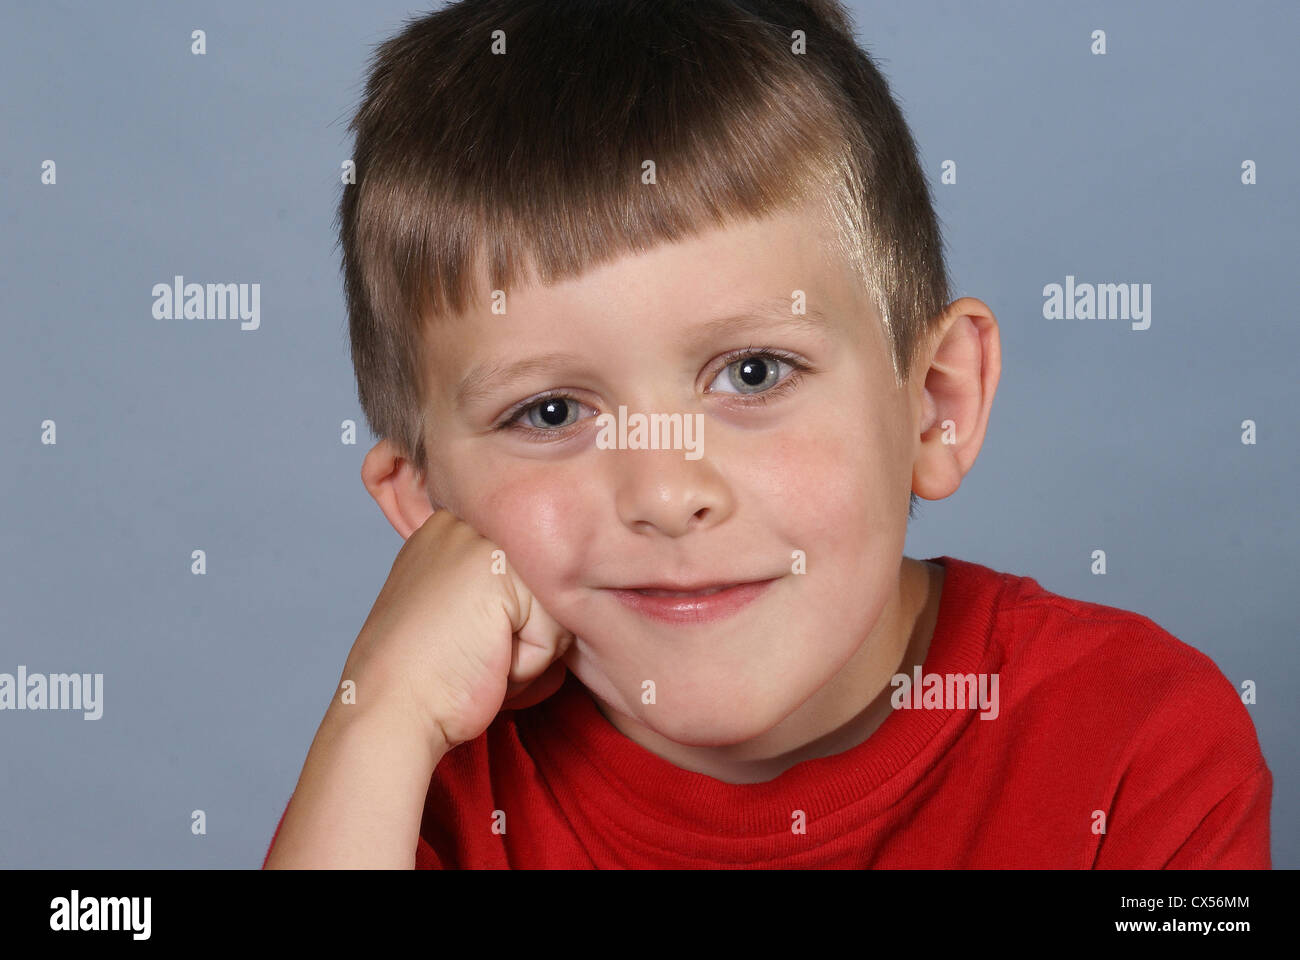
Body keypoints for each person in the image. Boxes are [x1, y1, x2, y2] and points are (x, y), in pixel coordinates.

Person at [262, 0, 1270, 868]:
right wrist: (379, 713)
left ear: (935, 403)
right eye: (551, 412)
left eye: (752, 374)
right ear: (428, 508)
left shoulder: (1138, 740)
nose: (664, 493)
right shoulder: (416, 789)